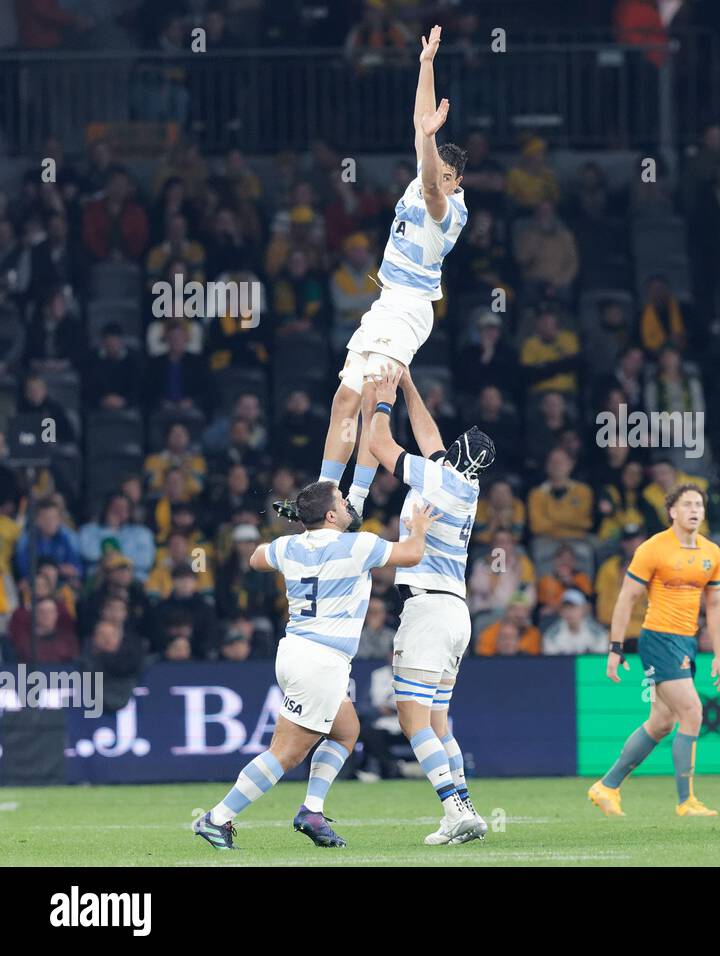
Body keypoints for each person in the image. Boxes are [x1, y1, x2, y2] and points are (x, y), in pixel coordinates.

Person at [192, 480, 432, 851]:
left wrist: (302, 528)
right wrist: (419, 526)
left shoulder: (288, 547)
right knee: (286, 752)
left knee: (346, 730)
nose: (349, 504)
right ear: (332, 514)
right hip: (319, 662)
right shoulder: (360, 544)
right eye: (341, 500)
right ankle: (217, 818)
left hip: (297, 653)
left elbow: (256, 558)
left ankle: (312, 811)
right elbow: (413, 554)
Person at [310, 25, 469, 526]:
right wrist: (425, 64)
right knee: (344, 397)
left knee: (372, 399)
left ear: (456, 181)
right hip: (384, 304)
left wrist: (429, 142)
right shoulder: (425, 167)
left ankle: (354, 500)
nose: (432, 173)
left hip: (410, 310)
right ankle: (321, 497)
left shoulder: (450, 207)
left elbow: (428, 171)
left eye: (443, 171)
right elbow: (421, 127)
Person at [368, 363, 496, 846]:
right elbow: (429, 438)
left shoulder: (438, 481)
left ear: (460, 454)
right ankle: (463, 806)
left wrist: (381, 400)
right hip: (453, 610)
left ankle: (450, 805)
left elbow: (382, 447)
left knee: (411, 717)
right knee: (437, 718)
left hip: (428, 610)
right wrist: (409, 385)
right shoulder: (462, 481)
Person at [587, 484, 720, 817]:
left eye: (699, 505)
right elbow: (627, 598)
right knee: (692, 711)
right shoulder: (653, 549)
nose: (695, 510)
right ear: (672, 512)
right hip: (659, 638)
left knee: (662, 722)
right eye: (687, 505)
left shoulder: (712, 553)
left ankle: (606, 786)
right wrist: (615, 648)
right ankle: (686, 801)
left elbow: (716, 604)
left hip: (687, 641)